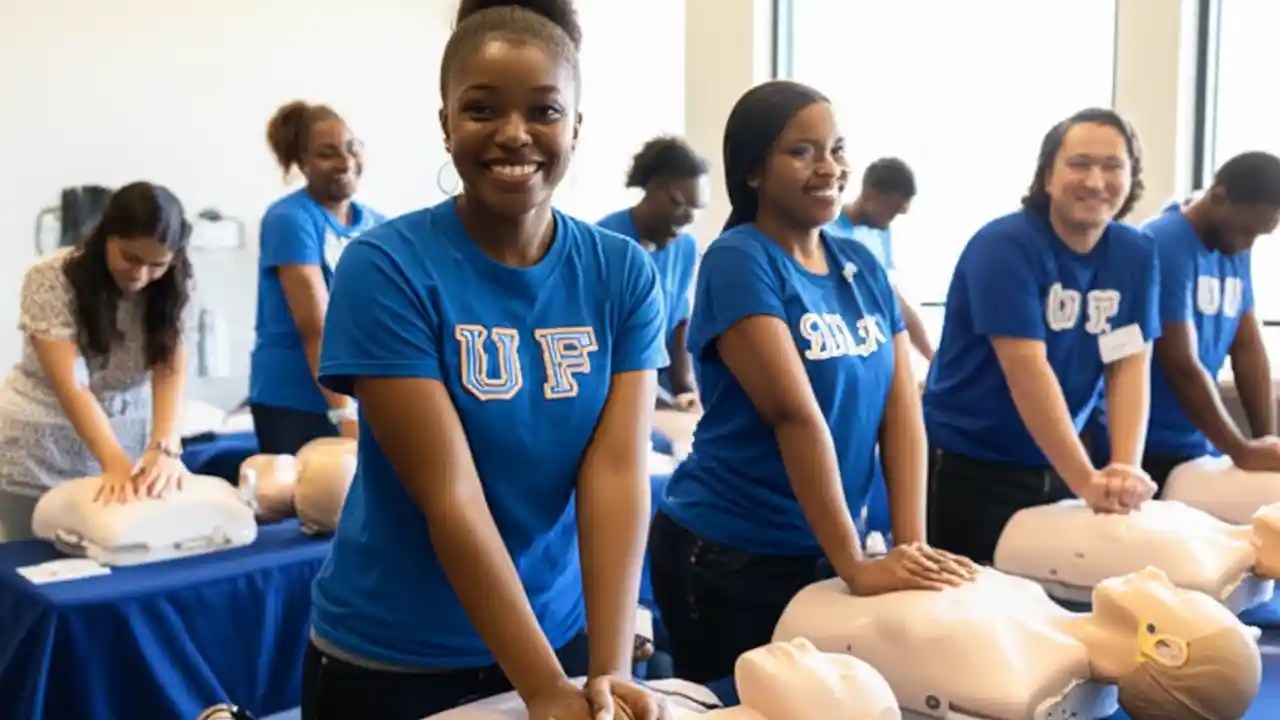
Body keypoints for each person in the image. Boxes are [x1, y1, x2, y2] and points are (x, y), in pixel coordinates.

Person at [300, 2, 672, 719]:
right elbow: (451, 494)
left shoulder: (621, 272)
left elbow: (618, 472)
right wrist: (540, 689)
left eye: (544, 111)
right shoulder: (387, 267)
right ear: (445, 123)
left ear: (575, 127)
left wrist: (609, 666)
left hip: (559, 635)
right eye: (481, 109)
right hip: (395, 660)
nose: (513, 135)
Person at [649, 79, 975, 685]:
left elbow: (901, 410)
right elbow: (794, 415)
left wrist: (911, 547)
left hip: (816, 551)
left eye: (837, 149)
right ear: (752, 172)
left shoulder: (862, 267)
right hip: (727, 555)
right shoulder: (740, 260)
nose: (829, 167)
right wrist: (855, 562)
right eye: (802, 151)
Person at [922, 107, 1162, 565]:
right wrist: (1087, 481)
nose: (1095, 181)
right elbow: (1027, 371)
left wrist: (1124, 468)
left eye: (1113, 166)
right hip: (969, 462)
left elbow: (1128, 363)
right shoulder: (1004, 246)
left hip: (1056, 461)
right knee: (972, 606)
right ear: (1047, 176)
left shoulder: (1135, 252)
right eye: (1079, 164)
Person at [775, 566, 1261, 719]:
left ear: (1166, 649)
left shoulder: (1011, 675)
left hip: (791, 639)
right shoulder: (1039, 615)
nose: (1157, 573)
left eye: (1173, 594)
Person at [0, 182, 193, 540]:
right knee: (33, 565)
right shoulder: (51, 277)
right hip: (42, 445)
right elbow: (72, 383)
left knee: (116, 550)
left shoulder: (176, 285)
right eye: (130, 258)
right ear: (106, 236)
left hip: (124, 436)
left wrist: (165, 447)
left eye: (157, 264)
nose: (140, 274)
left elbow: (168, 369)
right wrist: (114, 462)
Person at [1093, 152, 1280, 489]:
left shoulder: (1233, 246)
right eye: (1247, 230)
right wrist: (1240, 450)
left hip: (1196, 447)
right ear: (1219, 196)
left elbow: (1248, 347)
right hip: (1146, 450)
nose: (1248, 243)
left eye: (1259, 235)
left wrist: (1267, 441)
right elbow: (1181, 363)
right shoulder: (1161, 244)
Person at [249, 100, 385, 455]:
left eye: (352, 148)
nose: (345, 162)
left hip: (363, 395)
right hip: (297, 402)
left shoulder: (377, 225)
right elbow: (317, 325)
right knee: (309, 503)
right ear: (303, 162)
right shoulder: (291, 219)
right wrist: (344, 413)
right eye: (328, 154)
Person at [598, 136, 708, 412]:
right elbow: (606, 349)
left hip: (662, 386)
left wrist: (685, 389)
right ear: (654, 188)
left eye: (695, 210)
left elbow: (680, 322)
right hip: (613, 383)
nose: (688, 218)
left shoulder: (685, 246)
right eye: (680, 203)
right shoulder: (605, 243)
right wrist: (666, 405)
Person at [828, 157, 933, 361]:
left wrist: (930, 356)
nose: (890, 222)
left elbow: (891, 296)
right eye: (891, 212)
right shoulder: (828, 233)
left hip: (877, 346)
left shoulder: (880, 234)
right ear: (870, 196)